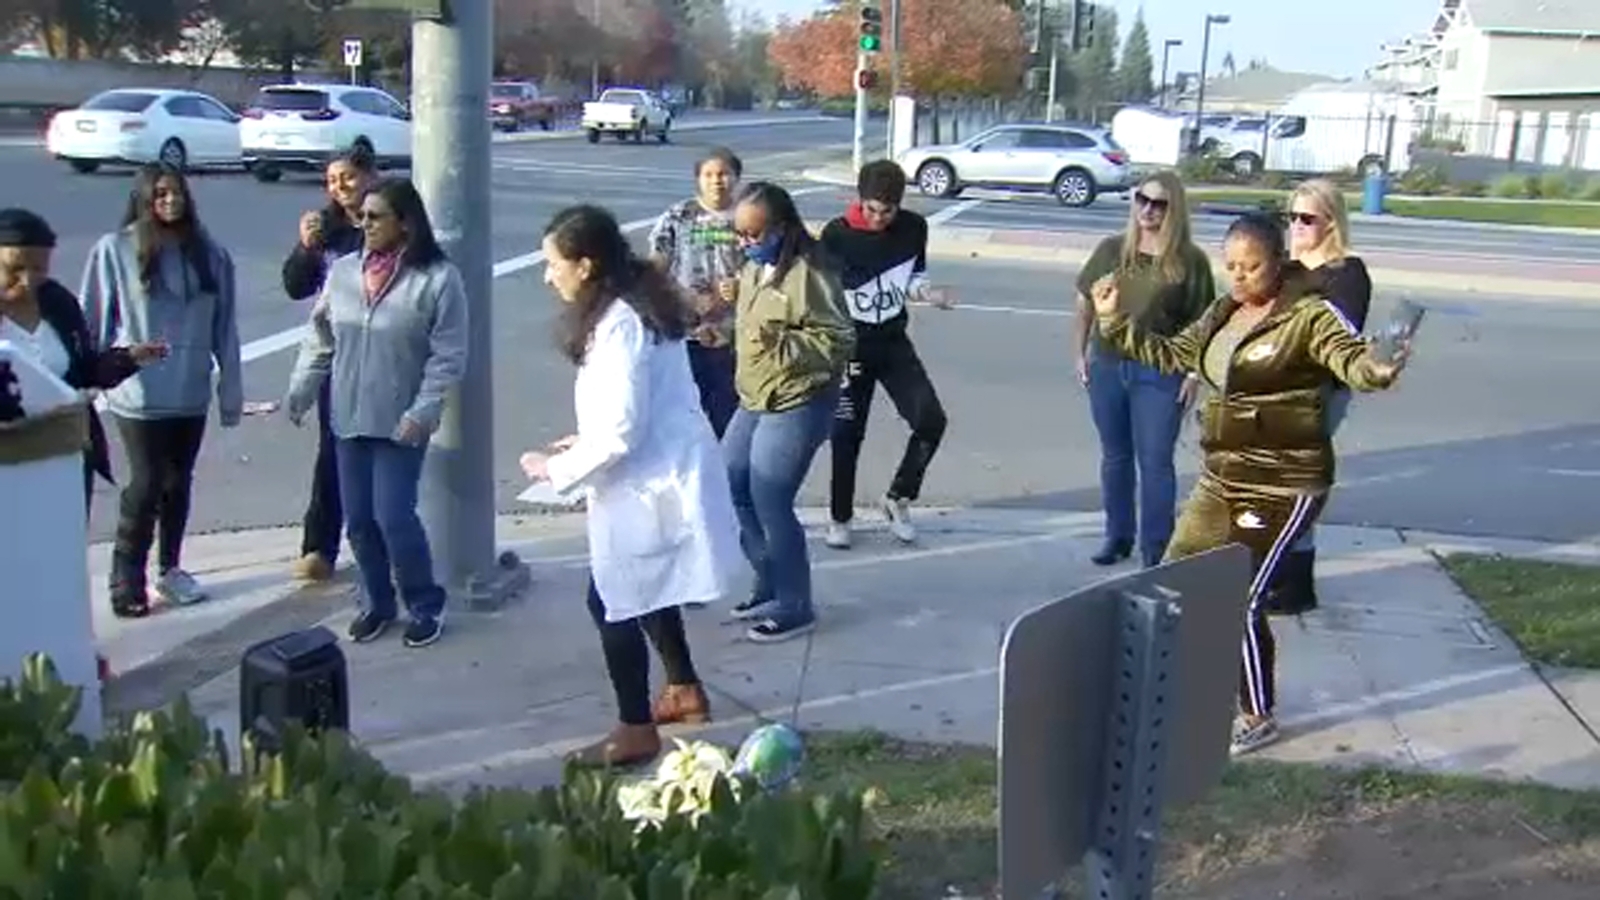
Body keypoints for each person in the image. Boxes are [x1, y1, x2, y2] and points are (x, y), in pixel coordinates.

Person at [1091, 211, 1411, 756]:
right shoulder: (1223, 313)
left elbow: (1352, 361)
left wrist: (1379, 367)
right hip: (1224, 473)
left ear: (1278, 260)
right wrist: (1115, 322)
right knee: (1175, 579)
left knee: (1240, 597)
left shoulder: (1309, 316)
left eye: (1252, 266)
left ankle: (1256, 713)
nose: (1239, 277)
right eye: (1232, 266)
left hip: (1283, 482)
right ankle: (1169, 690)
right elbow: (1172, 355)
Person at [519, 204, 743, 767]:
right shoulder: (637, 304)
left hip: (650, 484)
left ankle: (634, 727)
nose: (548, 277)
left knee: (612, 599)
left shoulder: (620, 323)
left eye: (554, 265)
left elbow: (619, 431)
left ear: (587, 265)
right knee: (642, 589)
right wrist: (582, 440)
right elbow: (634, 411)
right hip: (658, 470)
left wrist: (553, 469)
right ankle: (683, 687)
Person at [285, 177, 467, 649]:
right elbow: (321, 336)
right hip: (349, 415)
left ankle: (424, 604)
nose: (363, 224)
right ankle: (376, 603)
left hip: (402, 420)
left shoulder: (438, 278)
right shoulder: (344, 272)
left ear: (404, 224)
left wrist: (424, 409)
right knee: (359, 521)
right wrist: (301, 389)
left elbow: (448, 355)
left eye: (375, 217)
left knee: (394, 517)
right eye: (361, 217)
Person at [80, 164, 242, 617]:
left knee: (178, 484)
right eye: (161, 193)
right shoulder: (115, 250)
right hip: (139, 395)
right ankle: (125, 578)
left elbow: (225, 327)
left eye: (178, 193)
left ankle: (170, 569)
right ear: (145, 199)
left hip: (190, 392)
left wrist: (230, 391)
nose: (171, 201)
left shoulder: (210, 254)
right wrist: (86, 379)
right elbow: (91, 320)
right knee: (147, 483)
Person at [725, 182, 855, 643]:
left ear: (782, 228)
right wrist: (720, 331)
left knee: (770, 499)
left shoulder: (809, 273)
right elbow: (750, 327)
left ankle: (795, 603)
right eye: (739, 235)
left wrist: (784, 345)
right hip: (754, 396)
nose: (745, 244)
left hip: (798, 399)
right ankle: (769, 581)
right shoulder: (751, 268)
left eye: (754, 235)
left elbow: (839, 339)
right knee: (731, 484)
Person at [1074, 171, 1215, 569]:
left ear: (1175, 210)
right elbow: (1084, 302)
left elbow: (1204, 324)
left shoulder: (1190, 262)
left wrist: (1193, 374)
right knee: (1115, 457)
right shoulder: (1112, 250)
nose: (1148, 211)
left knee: (1155, 461)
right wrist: (1079, 353)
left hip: (1161, 372)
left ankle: (1156, 549)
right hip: (1108, 365)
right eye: (1142, 200)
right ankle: (1117, 536)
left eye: (1159, 204)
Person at [819, 159, 951, 550]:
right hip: (849, 345)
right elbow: (822, 293)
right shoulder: (836, 235)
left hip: (892, 342)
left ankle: (897, 497)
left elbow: (914, 277)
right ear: (859, 200)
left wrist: (929, 294)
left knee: (931, 420)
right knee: (846, 433)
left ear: (899, 205)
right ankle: (840, 517)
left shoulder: (914, 229)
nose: (877, 218)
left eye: (887, 211)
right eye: (871, 209)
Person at [0, 208, 166, 513]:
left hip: (64, 456)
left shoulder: (57, 303)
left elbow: (82, 372)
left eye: (39, 269)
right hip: (8, 462)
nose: (28, 280)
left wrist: (127, 359)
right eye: (15, 268)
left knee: (62, 550)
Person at [1270, 178, 1374, 615]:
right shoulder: (1287, 271)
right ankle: (1277, 575)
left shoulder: (1346, 274)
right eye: (1291, 217)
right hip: (1274, 393)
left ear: (1331, 223)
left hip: (1316, 394)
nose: (1296, 226)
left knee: (1296, 486)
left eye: (1307, 219)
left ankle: (1296, 584)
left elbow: (1334, 336)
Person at [281, 146, 378, 583]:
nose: (339, 188)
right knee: (333, 454)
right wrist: (306, 247)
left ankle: (380, 545)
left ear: (370, 175)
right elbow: (296, 286)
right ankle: (319, 546)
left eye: (348, 178)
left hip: (383, 358)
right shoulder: (327, 228)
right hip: (338, 359)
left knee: (383, 454)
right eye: (332, 181)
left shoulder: (393, 220)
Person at [647, 146, 744, 438]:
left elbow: (773, 269)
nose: (717, 181)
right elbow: (655, 271)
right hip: (686, 334)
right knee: (687, 417)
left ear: (737, 178)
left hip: (735, 336)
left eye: (724, 174)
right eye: (709, 174)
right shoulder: (678, 217)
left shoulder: (749, 216)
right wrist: (683, 297)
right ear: (698, 179)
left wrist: (744, 284)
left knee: (729, 419)